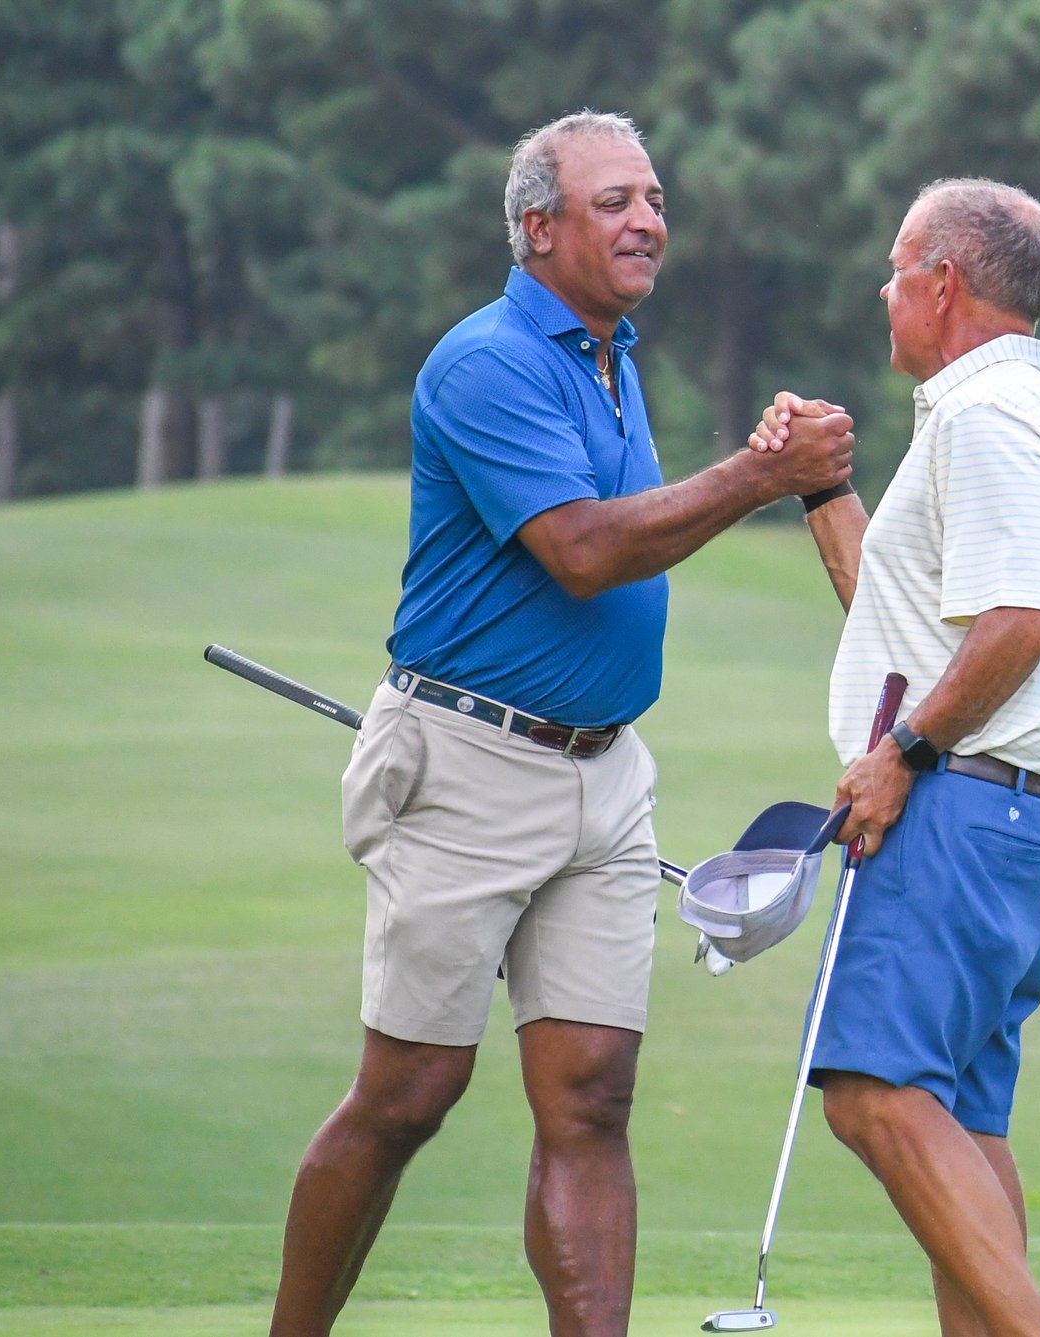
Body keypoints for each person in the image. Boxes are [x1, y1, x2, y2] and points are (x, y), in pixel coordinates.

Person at [267, 111, 853, 1337]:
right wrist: (763, 475)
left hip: (605, 773)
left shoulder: (609, 354)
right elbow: (582, 551)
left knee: (590, 1096)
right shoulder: (486, 361)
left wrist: (750, 472)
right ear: (538, 229)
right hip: (467, 761)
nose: (649, 220)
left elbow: (639, 529)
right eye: (613, 203)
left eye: (653, 198)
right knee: (411, 1089)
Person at [751, 177, 1040, 1336]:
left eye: (898, 265)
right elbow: (907, 625)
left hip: (958, 809)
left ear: (943, 282)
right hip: (1009, 825)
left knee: (873, 1094)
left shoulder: (987, 415)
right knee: (960, 1123)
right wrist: (824, 491)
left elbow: (1022, 617)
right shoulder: (1006, 410)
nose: (883, 288)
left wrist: (903, 749)